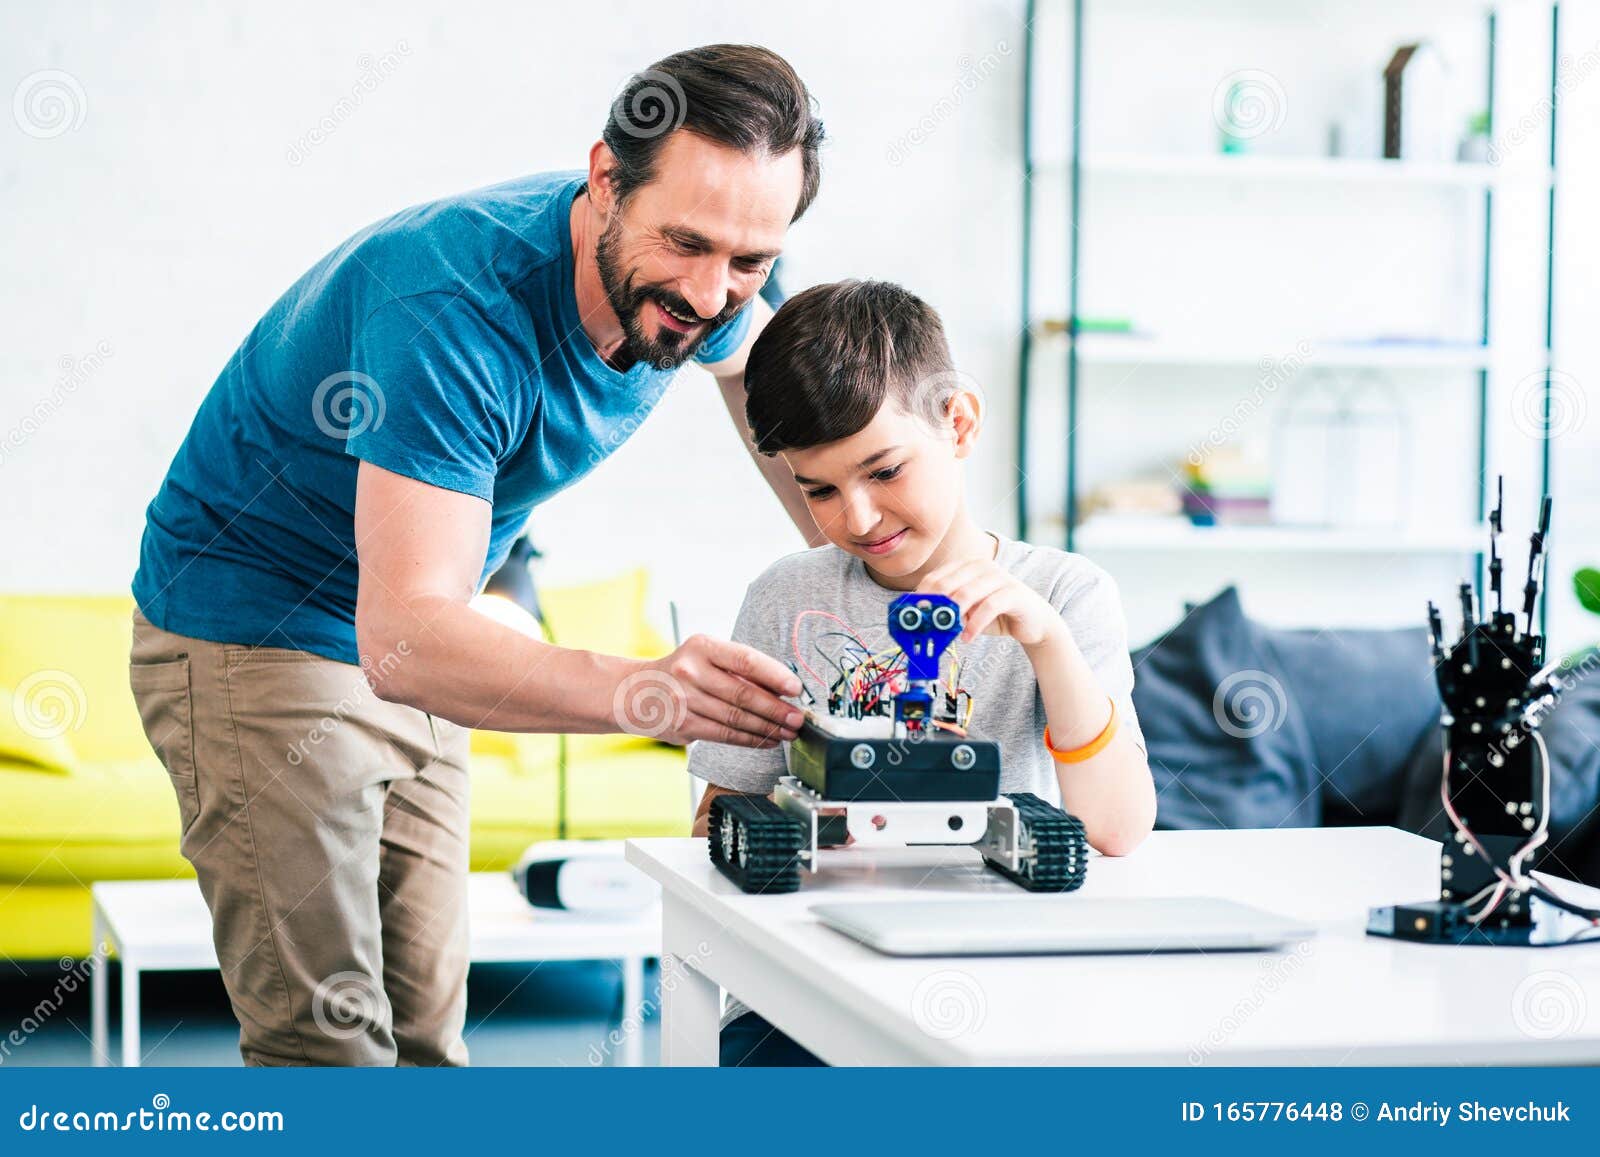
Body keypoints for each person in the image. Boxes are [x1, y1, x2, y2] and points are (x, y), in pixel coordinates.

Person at [127, 44, 824, 1066]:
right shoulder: (453, 307)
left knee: (426, 1036)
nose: (714, 292)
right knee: (329, 1045)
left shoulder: (707, 270)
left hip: (423, 614)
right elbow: (404, 646)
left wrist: (873, 559)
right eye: (688, 244)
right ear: (605, 181)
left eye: (749, 261)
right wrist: (649, 691)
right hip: (255, 625)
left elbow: (767, 394)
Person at [687, 280, 1157, 1065]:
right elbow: (715, 827)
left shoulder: (1069, 595)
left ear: (959, 422)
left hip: (1010, 982)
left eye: (885, 470)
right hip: (812, 986)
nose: (858, 517)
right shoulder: (785, 597)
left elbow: (1114, 829)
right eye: (820, 489)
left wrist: (1046, 641)